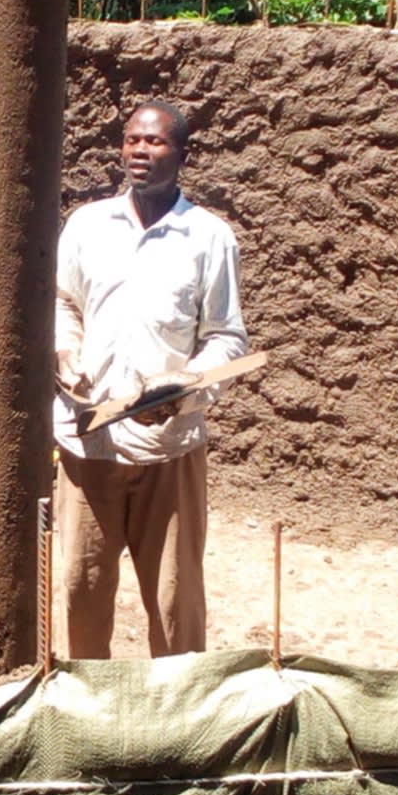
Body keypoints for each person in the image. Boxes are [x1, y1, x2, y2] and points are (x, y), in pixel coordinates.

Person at [52, 99, 247, 659]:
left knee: (174, 599)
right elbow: (63, 303)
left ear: (182, 154)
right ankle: (89, 709)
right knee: (81, 588)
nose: (141, 151)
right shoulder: (87, 226)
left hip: (168, 448)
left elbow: (227, 337)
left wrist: (184, 390)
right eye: (132, 139)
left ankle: (178, 715)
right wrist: (67, 354)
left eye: (156, 142)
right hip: (89, 441)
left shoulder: (208, 237)